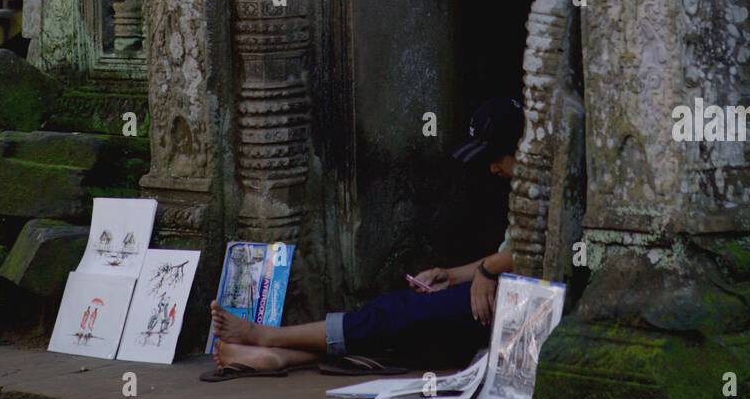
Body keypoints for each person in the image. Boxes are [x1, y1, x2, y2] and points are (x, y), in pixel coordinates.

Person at [202, 97, 523, 381]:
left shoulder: (548, 191)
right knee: (404, 318)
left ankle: (269, 338)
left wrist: (488, 270)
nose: (493, 168)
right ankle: (283, 356)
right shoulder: (523, 189)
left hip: (518, 303)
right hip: (498, 291)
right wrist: (450, 275)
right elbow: (507, 255)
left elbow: (536, 252)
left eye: (497, 157)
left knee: (400, 316)